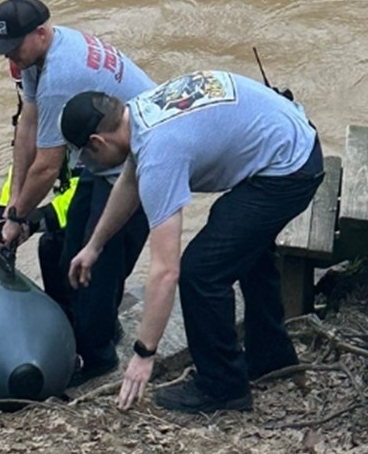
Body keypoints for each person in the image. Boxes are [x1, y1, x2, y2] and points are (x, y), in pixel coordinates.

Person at [63, 71, 325, 414]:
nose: (89, 165)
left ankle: (223, 387)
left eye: (87, 156)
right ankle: (271, 357)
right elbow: (128, 181)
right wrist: (95, 245)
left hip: (291, 166)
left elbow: (165, 272)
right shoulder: (141, 112)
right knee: (246, 249)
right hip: (290, 138)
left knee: (201, 272)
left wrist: (144, 354)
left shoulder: (159, 153)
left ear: (98, 142)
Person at [0, 0, 154, 386]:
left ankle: (97, 357)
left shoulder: (61, 73)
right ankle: (82, 333)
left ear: (40, 33)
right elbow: (28, 125)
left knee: (96, 259)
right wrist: (13, 206)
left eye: (14, 47)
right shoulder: (35, 59)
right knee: (60, 245)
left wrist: (20, 217)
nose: (10, 57)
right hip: (103, 154)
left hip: (140, 158)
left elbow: (46, 165)